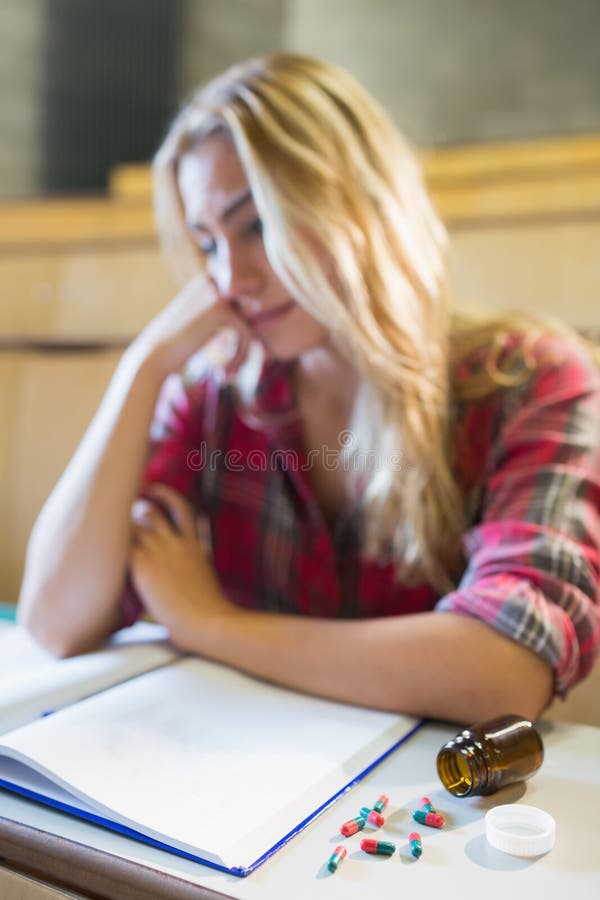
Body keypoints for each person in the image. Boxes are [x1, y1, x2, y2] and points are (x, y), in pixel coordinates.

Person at [18, 54, 600, 724]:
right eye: (206, 244)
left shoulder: (534, 383)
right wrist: (142, 369)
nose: (230, 279)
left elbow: (506, 670)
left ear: (358, 201)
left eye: (258, 225)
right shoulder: (215, 399)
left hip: (421, 807)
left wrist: (213, 625)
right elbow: (56, 621)